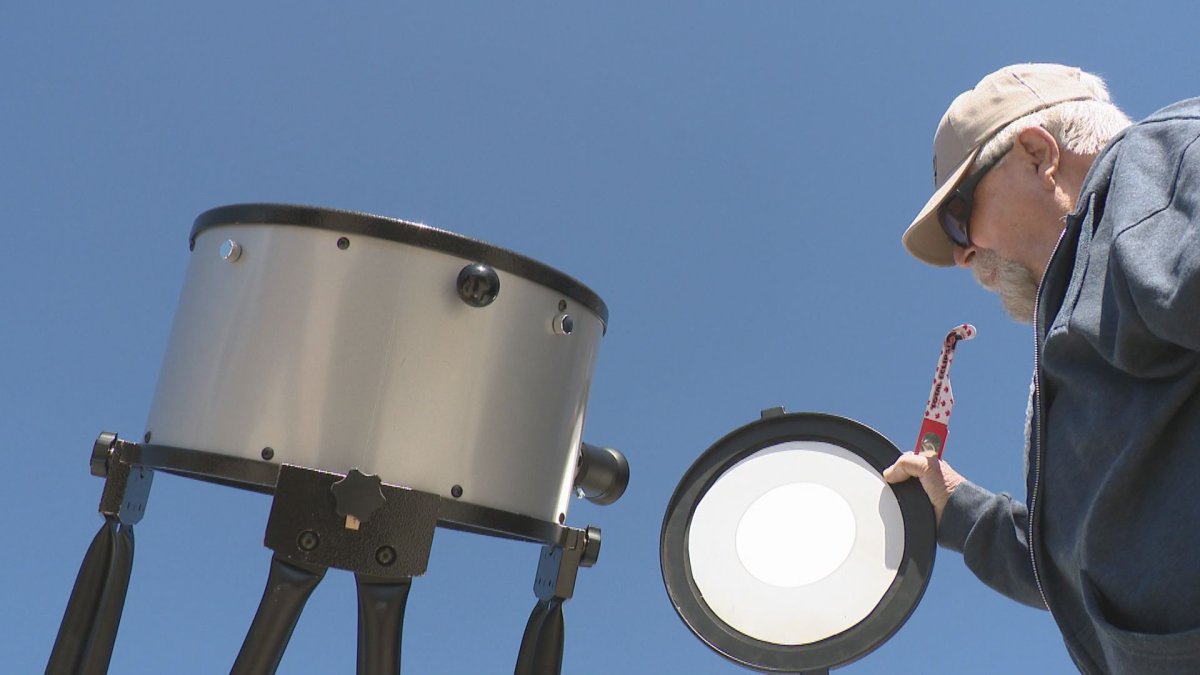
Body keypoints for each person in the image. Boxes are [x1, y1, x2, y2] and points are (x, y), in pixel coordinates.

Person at [882, 63, 1200, 674]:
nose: (962, 253)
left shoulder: (1157, 171)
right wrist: (952, 502)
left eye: (958, 216)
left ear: (1036, 154)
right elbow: (1070, 561)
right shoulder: (1086, 297)